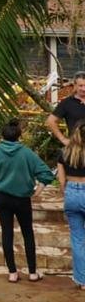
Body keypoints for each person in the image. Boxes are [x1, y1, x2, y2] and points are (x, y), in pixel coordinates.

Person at [0, 119, 56, 283]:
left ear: (2, 135)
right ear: (19, 135)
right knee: (27, 233)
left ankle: (12, 273)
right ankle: (32, 272)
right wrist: (39, 189)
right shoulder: (27, 153)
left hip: (2, 197)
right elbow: (46, 173)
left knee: (7, 232)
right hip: (23, 199)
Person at [56, 121, 85, 290]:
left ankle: (82, 280)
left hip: (71, 193)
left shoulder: (65, 152)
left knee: (78, 239)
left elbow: (61, 181)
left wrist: (66, 192)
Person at [47, 71, 85, 146]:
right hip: (76, 148)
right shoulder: (67, 103)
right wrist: (63, 139)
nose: (84, 89)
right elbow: (51, 121)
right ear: (75, 85)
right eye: (81, 85)